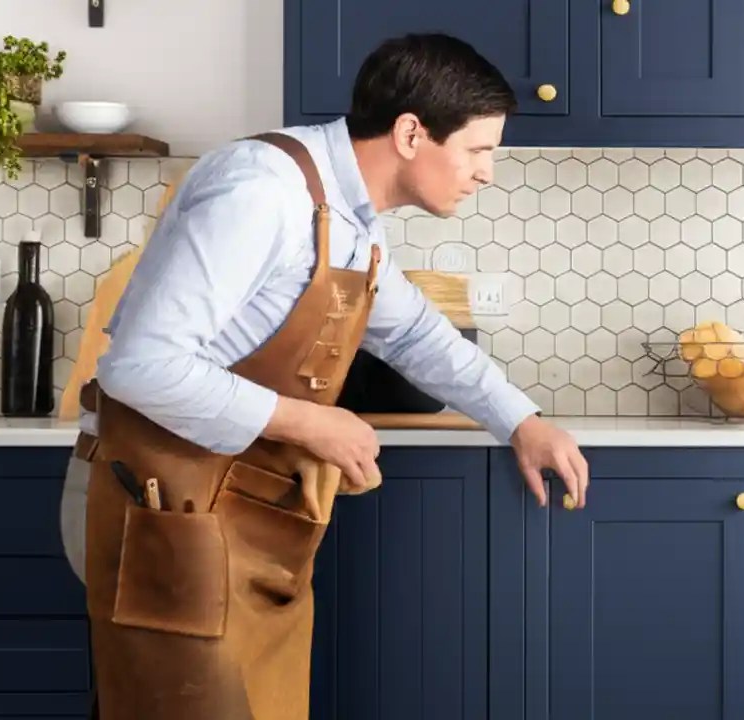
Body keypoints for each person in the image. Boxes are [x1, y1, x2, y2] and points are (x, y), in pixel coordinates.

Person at [58, 32, 589, 720]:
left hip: (226, 513)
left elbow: (418, 335)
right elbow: (141, 367)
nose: (487, 171)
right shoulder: (260, 190)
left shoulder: (350, 220)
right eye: (478, 150)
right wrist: (312, 422)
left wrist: (523, 420)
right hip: (157, 506)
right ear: (410, 133)